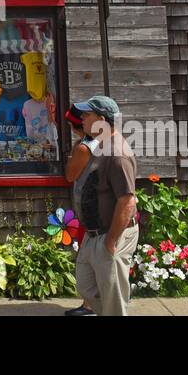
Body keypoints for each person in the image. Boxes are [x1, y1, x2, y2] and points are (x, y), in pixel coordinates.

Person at [71, 95, 139, 317]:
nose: (81, 118)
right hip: (94, 234)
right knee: (86, 284)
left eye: (86, 114)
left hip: (110, 234)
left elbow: (127, 201)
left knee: (113, 300)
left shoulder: (118, 154)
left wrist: (111, 240)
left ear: (101, 119)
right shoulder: (99, 145)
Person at [62, 104, 96, 317]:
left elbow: (70, 174)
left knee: (89, 256)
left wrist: (73, 154)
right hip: (94, 205)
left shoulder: (84, 147)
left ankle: (90, 305)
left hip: (89, 206)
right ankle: (90, 303)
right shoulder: (101, 142)